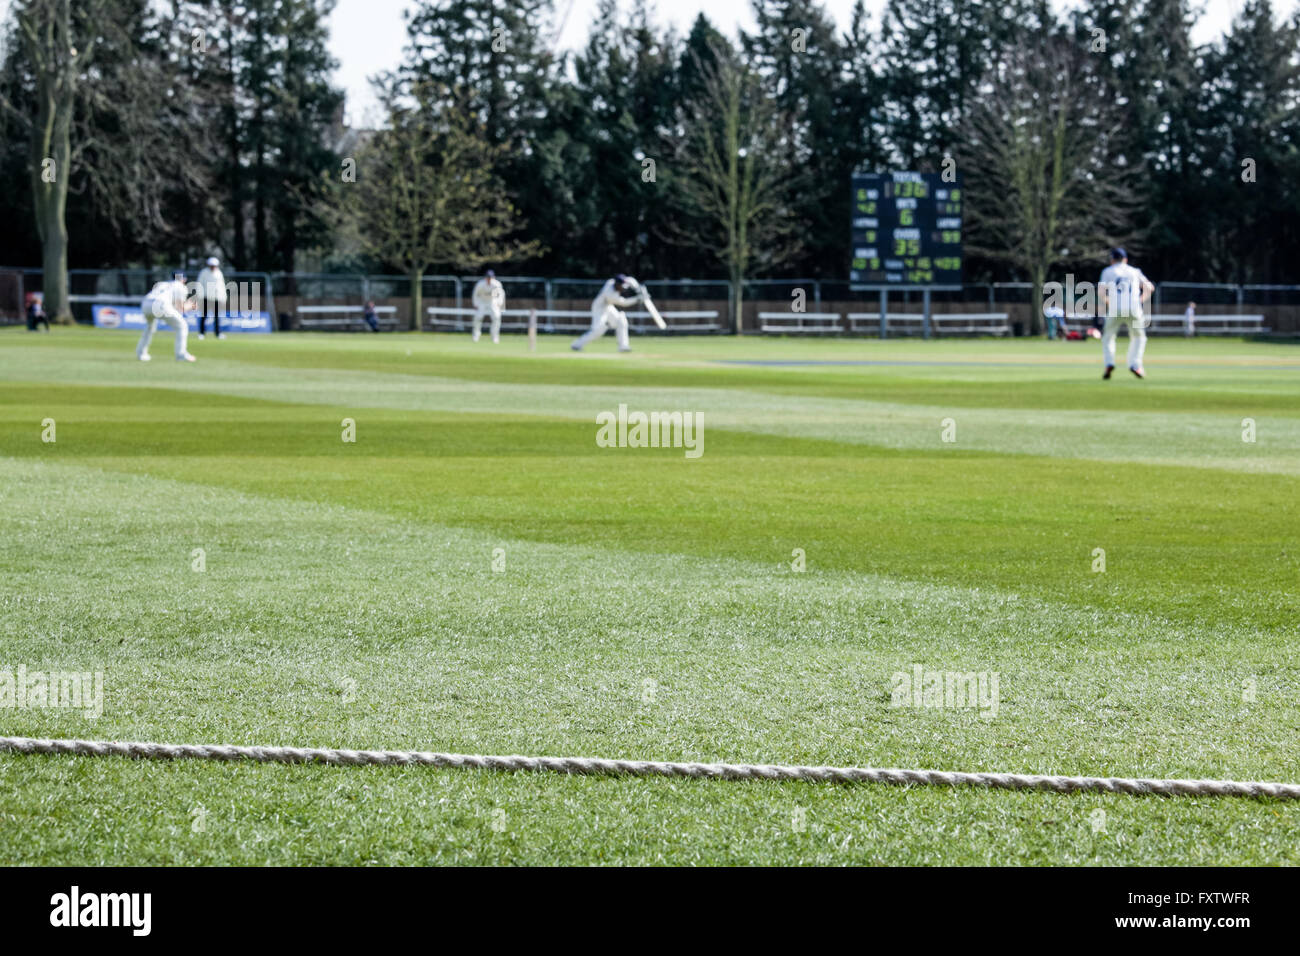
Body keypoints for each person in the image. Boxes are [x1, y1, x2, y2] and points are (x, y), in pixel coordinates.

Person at [1097, 247, 1155, 380]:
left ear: (1112, 260)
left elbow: (1100, 292)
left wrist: (1108, 302)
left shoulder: (1107, 271)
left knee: (1108, 337)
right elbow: (1150, 287)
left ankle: (1109, 363)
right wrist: (1140, 300)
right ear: (1125, 259)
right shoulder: (1134, 271)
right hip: (1133, 308)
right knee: (1138, 337)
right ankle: (1135, 364)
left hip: (1114, 308)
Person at [572, 274, 643, 352]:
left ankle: (623, 346)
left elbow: (631, 280)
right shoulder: (609, 293)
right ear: (616, 284)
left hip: (608, 306)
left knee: (621, 320)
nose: (623, 288)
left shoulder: (613, 282)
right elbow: (623, 302)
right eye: (621, 286)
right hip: (599, 308)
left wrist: (638, 289)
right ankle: (576, 345)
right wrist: (637, 299)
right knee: (597, 330)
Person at [136, 272, 196, 363]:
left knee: (150, 328)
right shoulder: (181, 287)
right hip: (160, 305)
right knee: (182, 326)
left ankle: (141, 354)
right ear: (184, 279)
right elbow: (181, 308)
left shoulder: (164, 283)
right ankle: (181, 355)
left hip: (146, 303)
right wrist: (192, 306)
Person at [196, 256, 227, 339]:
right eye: (211, 265)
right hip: (206, 297)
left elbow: (221, 286)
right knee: (203, 316)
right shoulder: (204, 272)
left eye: (214, 265)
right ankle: (201, 333)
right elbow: (199, 284)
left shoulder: (219, 273)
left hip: (216, 298)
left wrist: (223, 297)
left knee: (216, 317)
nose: (213, 267)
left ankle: (218, 333)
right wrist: (200, 296)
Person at [471, 269, 505, 343]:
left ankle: (495, 337)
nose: (489, 279)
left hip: (492, 301)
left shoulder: (496, 284)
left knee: (496, 317)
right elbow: (475, 294)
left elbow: (500, 295)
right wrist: (475, 304)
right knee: (478, 317)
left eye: (491, 277)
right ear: (485, 277)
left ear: (493, 277)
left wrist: (499, 303)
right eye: (488, 277)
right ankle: (476, 336)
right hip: (482, 302)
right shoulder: (480, 284)